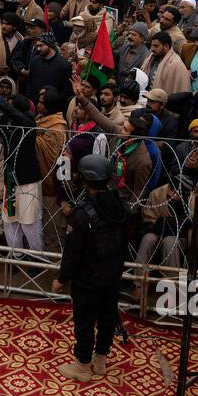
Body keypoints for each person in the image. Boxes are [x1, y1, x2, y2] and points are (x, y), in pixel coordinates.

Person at [52, 154, 131, 382]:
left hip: (88, 278)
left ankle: (83, 366)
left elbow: (73, 253)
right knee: (107, 316)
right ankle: (100, 360)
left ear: (85, 181)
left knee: (85, 320)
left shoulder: (82, 214)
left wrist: (62, 278)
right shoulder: (122, 205)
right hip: (113, 272)